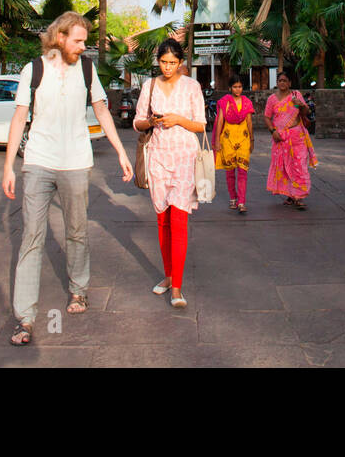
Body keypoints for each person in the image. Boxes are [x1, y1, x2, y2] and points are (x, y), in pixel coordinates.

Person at [2, 12, 133, 346]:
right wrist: (7, 167)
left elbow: (102, 110)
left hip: (76, 162)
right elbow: (19, 119)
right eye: (78, 40)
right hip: (38, 162)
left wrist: (120, 150)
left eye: (84, 40)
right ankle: (25, 318)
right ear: (59, 37)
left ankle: (79, 290)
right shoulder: (34, 70)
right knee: (32, 237)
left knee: (76, 231)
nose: (83, 46)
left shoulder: (87, 70)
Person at [133, 38, 207, 309]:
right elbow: (137, 122)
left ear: (181, 62)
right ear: (158, 61)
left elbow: (200, 125)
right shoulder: (149, 86)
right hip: (158, 158)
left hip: (185, 159)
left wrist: (178, 120)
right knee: (162, 219)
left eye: (173, 63)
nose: (167, 67)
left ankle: (177, 287)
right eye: (164, 62)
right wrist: (151, 121)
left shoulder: (192, 86)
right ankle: (168, 275)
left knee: (179, 220)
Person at [264, 70, 313, 210]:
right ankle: (291, 195)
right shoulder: (272, 99)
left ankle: (299, 196)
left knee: (299, 165)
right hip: (280, 138)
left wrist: (301, 105)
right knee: (285, 167)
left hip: (297, 137)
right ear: (277, 83)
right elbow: (267, 117)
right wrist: (273, 131)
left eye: (285, 80)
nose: (282, 83)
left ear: (290, 83)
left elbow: (306, 112)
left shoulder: (295, 95)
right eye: (280, 81)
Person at [211, 74, 255, 214]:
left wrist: (252, 140)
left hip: (243, 138)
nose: (237, 89)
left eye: (240, 86)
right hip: (228, 138)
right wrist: (217, 140)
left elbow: (249, 122)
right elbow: (220, 122)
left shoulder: (247, 102)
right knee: (230, 171)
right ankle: (233, 198)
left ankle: (241, 201)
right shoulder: (225, 102)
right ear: (230, 88)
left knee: (243, 170)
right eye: (235, 87)